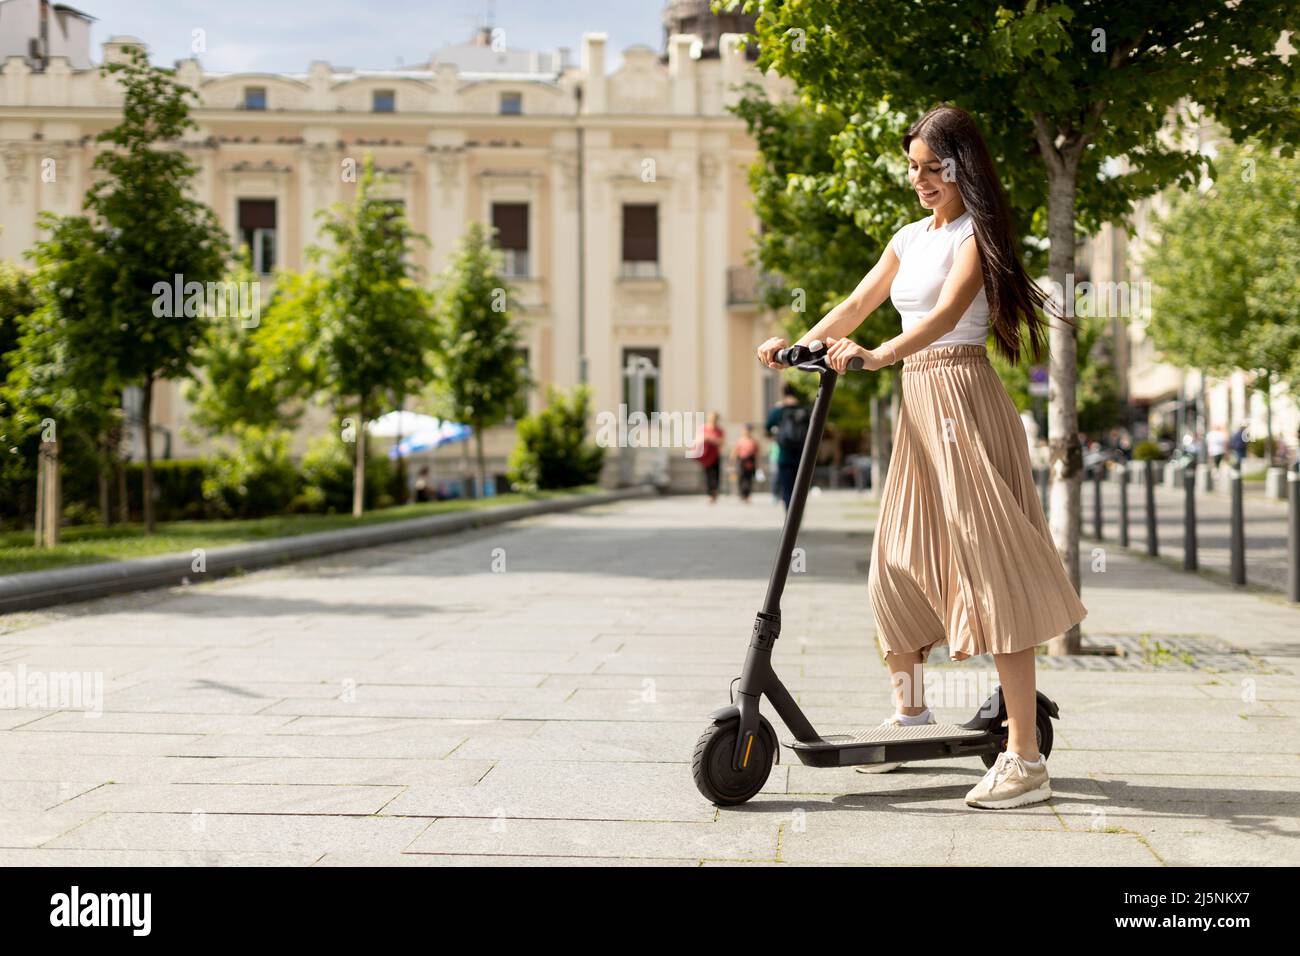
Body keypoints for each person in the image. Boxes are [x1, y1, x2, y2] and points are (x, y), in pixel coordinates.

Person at [757, 104, 1087, 810]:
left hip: (963, 395)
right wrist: (800, 342)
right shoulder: (908, 238)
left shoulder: (978, 235)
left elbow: (943, 317)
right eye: (913, 168)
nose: (920, 179)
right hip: (919, 405)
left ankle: (1025, 759)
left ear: (962, 167)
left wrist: (880, 354)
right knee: (896, 562)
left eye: (933, 168)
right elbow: (855, 303)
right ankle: (910, 712)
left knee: (993, 570)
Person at [765, 383, 811, 512]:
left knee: (787, 489)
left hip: (784, 455)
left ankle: (789, 518)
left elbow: (767, 427)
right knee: (800, 490)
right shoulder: (804, 409)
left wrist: (776, 435)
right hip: (803, 455)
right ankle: (798, 518)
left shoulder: (780, 410)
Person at [695, 411, 724, 503]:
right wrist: (704, 439)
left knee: (716, 474)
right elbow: (697, 440)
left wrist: (711, 439)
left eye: (714, 418)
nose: (712, 419)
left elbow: (721, 442)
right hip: (705, 455)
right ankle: (710, 493)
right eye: (711, 417)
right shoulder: (703, 428)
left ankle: (714, 492)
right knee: (708, 475)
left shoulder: (719, 430)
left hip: (715, 455)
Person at [730, 424, 759, 503]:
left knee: (748, 478)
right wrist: (732, 462)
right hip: (741, 461)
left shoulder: (753, 441)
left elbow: (757, 453)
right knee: (741, 477)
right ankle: (742, 494)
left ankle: (747, 494)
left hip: (750, 461)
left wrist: (757, 463)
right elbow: (735, 451)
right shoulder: (740, 441)